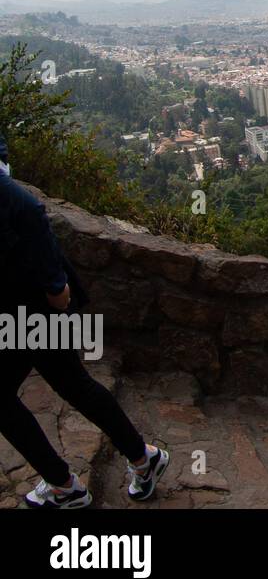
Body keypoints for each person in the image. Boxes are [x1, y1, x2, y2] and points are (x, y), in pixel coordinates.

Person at [0, 133, 170, 508]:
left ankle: (68, 486)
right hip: (21, 307)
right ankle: (140, 459)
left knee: (65, 386)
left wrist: (55, 285)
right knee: (73, 384)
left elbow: (31, 212)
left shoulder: (6, 191)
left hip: (33, 306)